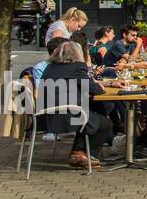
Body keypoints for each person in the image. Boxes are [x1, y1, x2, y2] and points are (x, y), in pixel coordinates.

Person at [40, 40, 114, 169]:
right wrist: (100, 87)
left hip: (45, 115)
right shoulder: (77, 67)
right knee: (105, 123)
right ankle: (86, 155)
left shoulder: (50, 67)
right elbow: (92, 88)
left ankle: (78, 152)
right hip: (65, 114)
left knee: (100, 109)